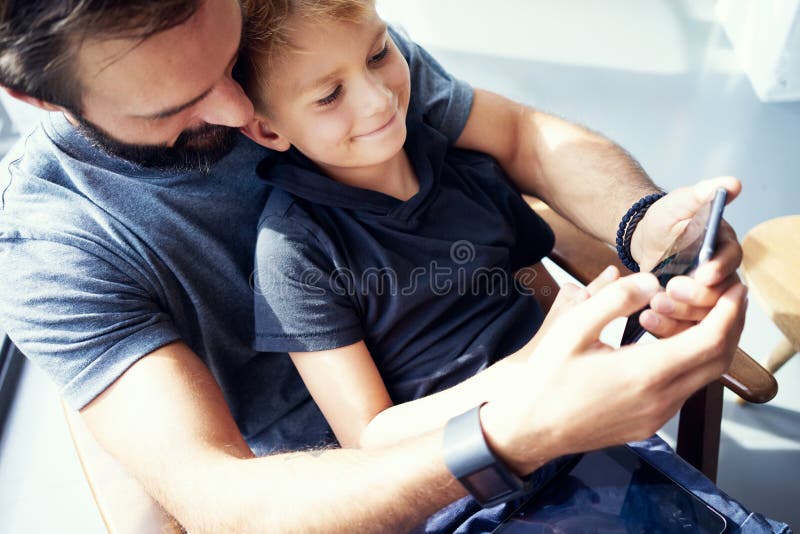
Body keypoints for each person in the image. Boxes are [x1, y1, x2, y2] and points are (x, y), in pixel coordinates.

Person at [0, 1, 787, 532]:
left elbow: (516, 138)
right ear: (35, 99)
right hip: (355, 492)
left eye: (233, 60)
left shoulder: (300, 33)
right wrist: (512, 424)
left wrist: (649, 225)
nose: (241, 113)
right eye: (180, 106)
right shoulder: (52, 249)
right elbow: (222, 496)